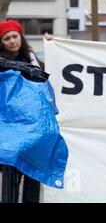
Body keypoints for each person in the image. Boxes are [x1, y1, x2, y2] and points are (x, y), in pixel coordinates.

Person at [0, 19, 43, 203]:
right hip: (7, 128)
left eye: (14, 36)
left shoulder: (34, 61)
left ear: (21, 37)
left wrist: (51, 43)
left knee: (33, 174)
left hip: (31, 127)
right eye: (6, 38)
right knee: (10, 177)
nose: (11, 41)